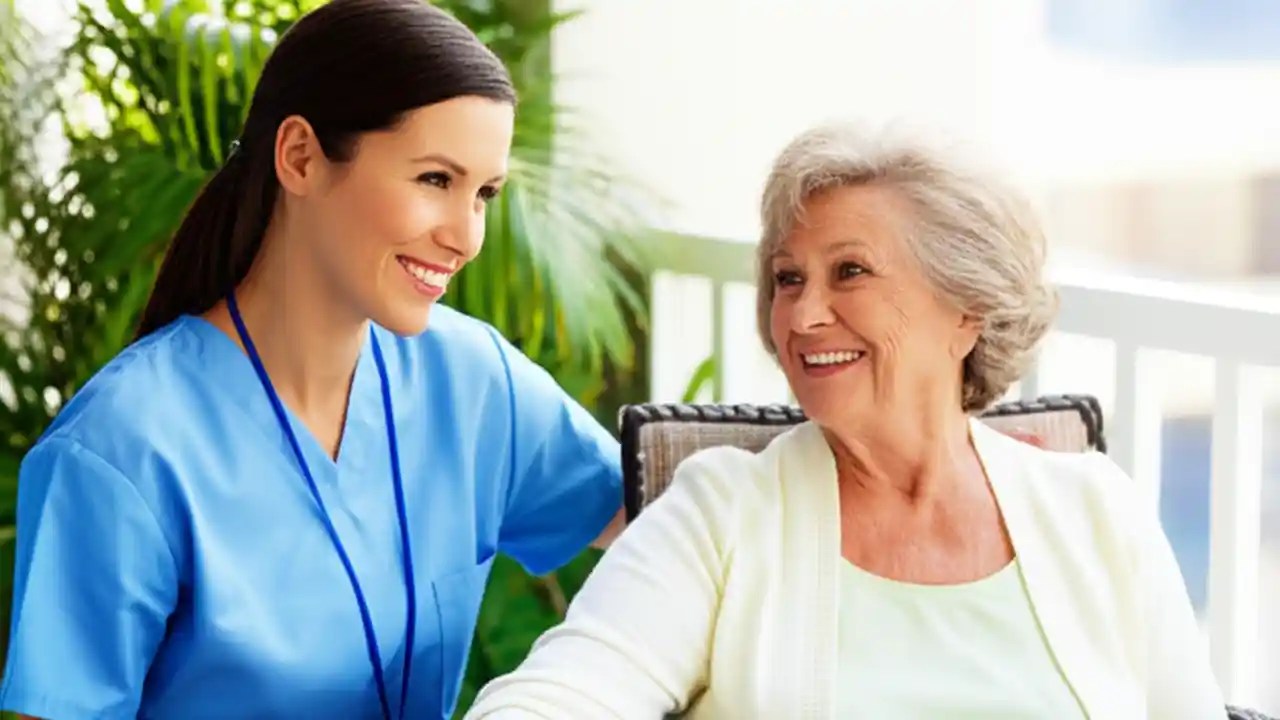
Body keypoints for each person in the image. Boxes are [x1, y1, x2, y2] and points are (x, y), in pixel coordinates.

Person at [464, 122, 1228, 718]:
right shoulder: (722, 513)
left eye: (850, 272)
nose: (802, 313)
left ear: (967, 310)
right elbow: (562, 697)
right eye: (787, 279)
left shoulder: (1097, 510)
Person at [0, 1, 624, 718]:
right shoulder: (119, 450)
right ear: (300, 157)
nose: (466, 236)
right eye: (434, 181)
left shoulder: (472, 381)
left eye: (483, 193)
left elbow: (678, 518)